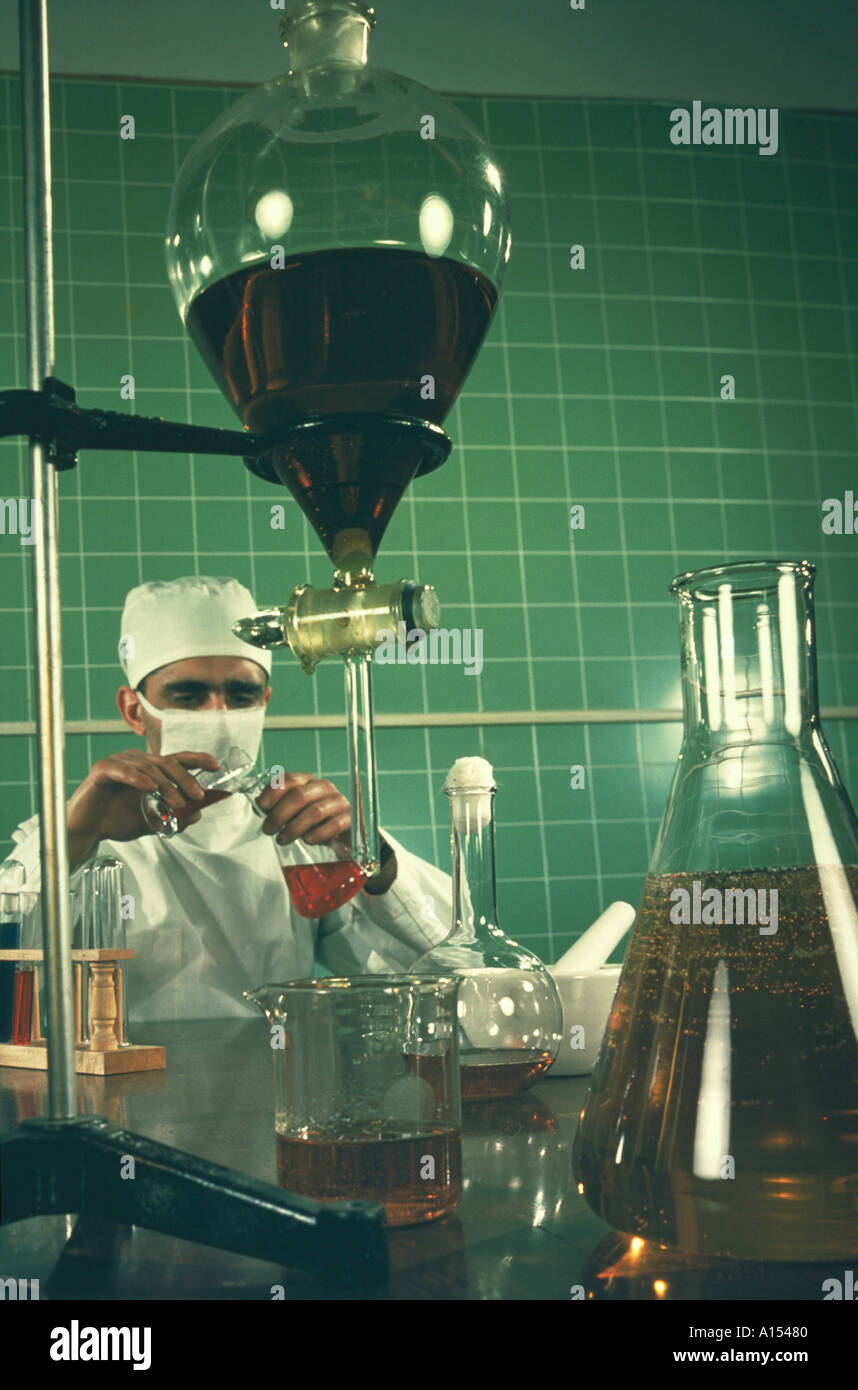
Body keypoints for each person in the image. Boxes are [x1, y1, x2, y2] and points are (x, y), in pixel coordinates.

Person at [6, 576, 451, 1021]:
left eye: (241, 696)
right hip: (123, 1088)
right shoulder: (78, 838)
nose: (218, 716)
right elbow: (13, 979)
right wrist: (74, 835)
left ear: (266, 701)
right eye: (189, 696)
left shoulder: (299, 832)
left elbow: (446, 963)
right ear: (135, 711)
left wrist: (375, 862)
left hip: (281, 1082)